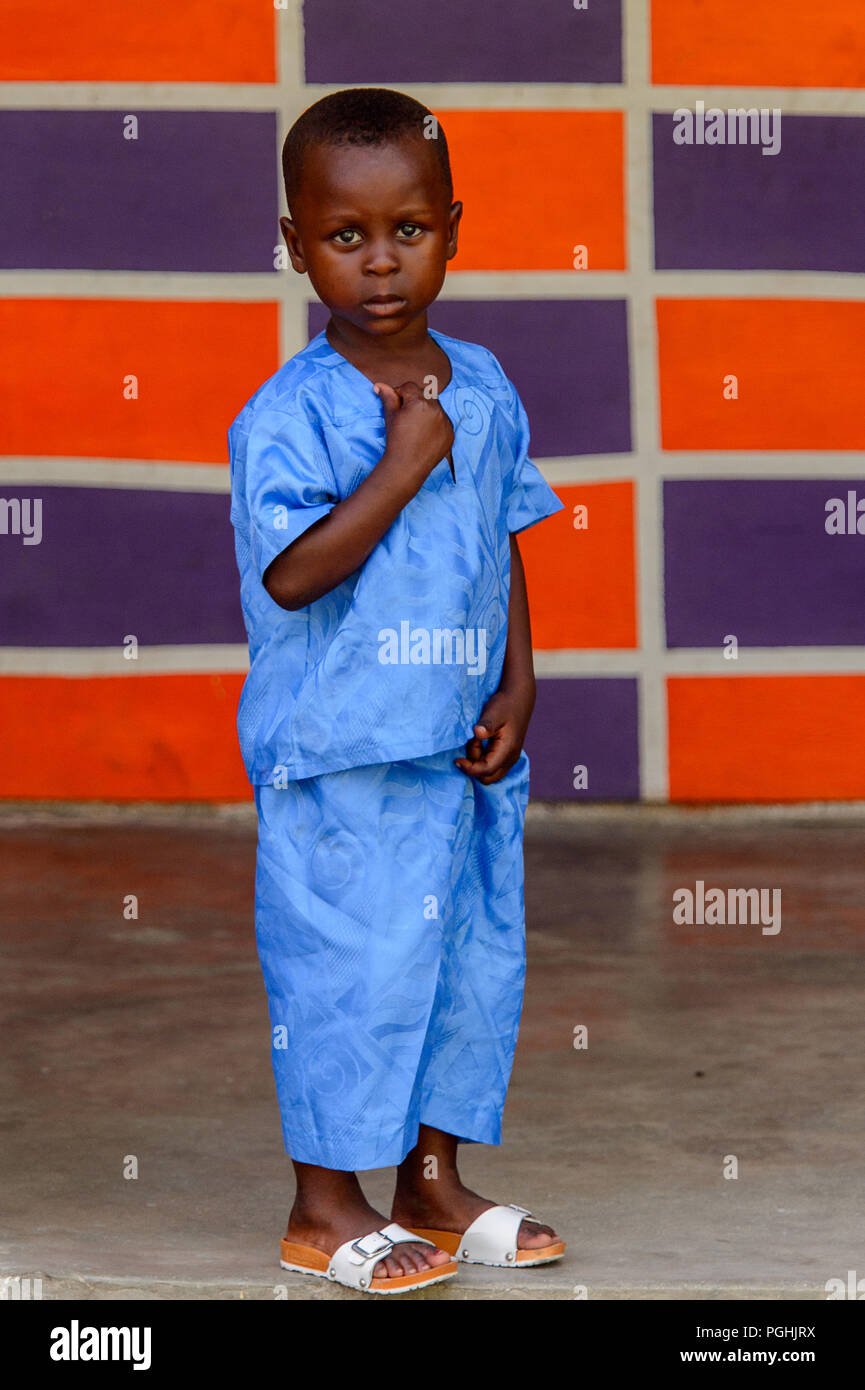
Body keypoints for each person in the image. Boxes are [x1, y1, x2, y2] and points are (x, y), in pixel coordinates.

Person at [228, 87, 566, 1295]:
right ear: (293, 242)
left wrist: (520, 679)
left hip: (461, 746)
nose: (378, 263)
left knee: (467, 965)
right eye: (344, 237)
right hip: (343, 756)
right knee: (348, 972)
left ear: (453, 227)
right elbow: (293, 572)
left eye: (407, 231)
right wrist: (401, 462)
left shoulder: (483, 382)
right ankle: (324, 1206)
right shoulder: (288, 414)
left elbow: (501, 535)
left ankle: (430, 1175)